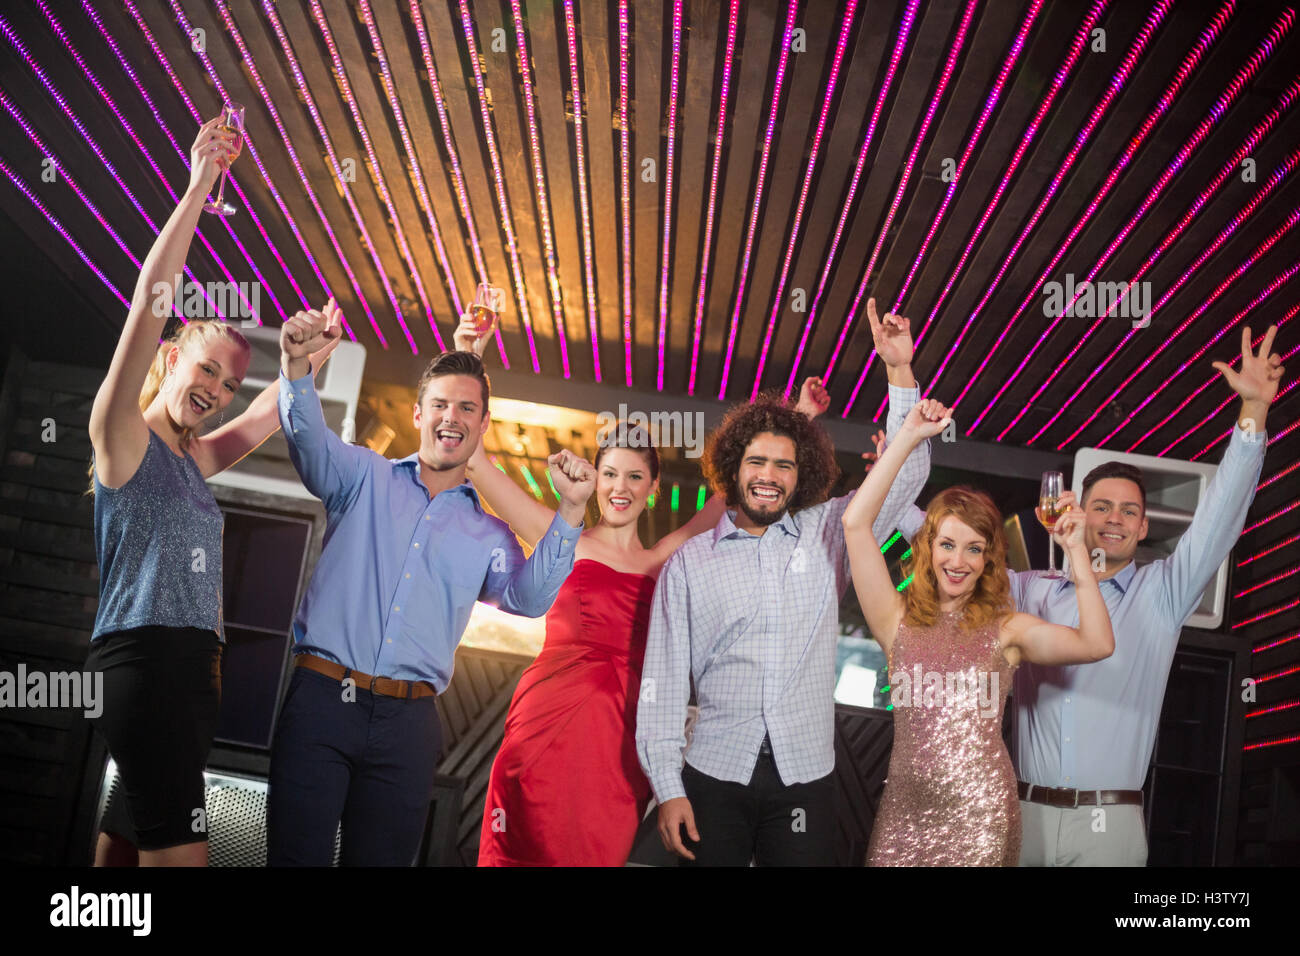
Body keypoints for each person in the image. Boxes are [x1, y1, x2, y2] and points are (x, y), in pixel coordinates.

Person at [889, 326, 1283, 866]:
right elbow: (945, 539)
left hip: (1109, 825)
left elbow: (1220, 517)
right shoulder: (1026, 591)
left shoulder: (1164, 591)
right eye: (1101, 506)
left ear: (1145, 528)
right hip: (1019, 812)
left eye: (1128, 512)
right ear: (1077, 511)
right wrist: (893, 457)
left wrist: (1254, 411)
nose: (1113, 520)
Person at [453, 314, 832, 865]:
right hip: (546, 720)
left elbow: (745, 492)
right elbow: (477, 463)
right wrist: (472, 361)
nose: (620, 487)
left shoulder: (665, 562)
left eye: (634, 477)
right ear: (594, 479)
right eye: (610, 474)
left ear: (652, 489)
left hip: (622, 735)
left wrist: (796, 418)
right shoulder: (561, 535)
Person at [85, 118, 339, 866]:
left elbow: (268, 415)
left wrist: (302, 359)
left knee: (122, 853)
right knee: (182, 857)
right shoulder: (121, 434)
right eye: (207, 371)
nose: (219, 391)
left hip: (194, 670)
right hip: (149, 666)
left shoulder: (194, 461)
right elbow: (150, 302)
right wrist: (200, 185)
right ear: (173, 356)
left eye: (228, 383)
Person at [266, 311, 595, 866]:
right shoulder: (361, 476)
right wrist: (297, 366)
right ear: (419, 413)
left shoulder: (489, 532)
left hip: (409, 725)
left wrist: (569, 510)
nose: (452, 416)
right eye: (441, 403)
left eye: (467, 407)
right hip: (323, 703)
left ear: (483, 425)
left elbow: (529, 599)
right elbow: (308, 441)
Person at [635, 299, 931, 866]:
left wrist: (899, 373)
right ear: (733, 469)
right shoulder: (690, 564)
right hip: (713, 772)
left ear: (802, 478)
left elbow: (905, 477)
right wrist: (668, 787)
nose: (769, 476)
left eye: (784, 466)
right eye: (757, 462)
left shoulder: (834, 531)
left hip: (805, 776)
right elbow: (663, 685)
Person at [842, 400, 1115, 866]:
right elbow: (855, 522)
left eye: (974, 549)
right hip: (904, 813)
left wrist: (1077, 552)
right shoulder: (896, 620)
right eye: (947, 544)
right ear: (928, 548)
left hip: (980, 813)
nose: (958, 560)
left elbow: (1096, 645)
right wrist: (907, 436)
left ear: (989, 558)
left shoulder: (1006, 630)